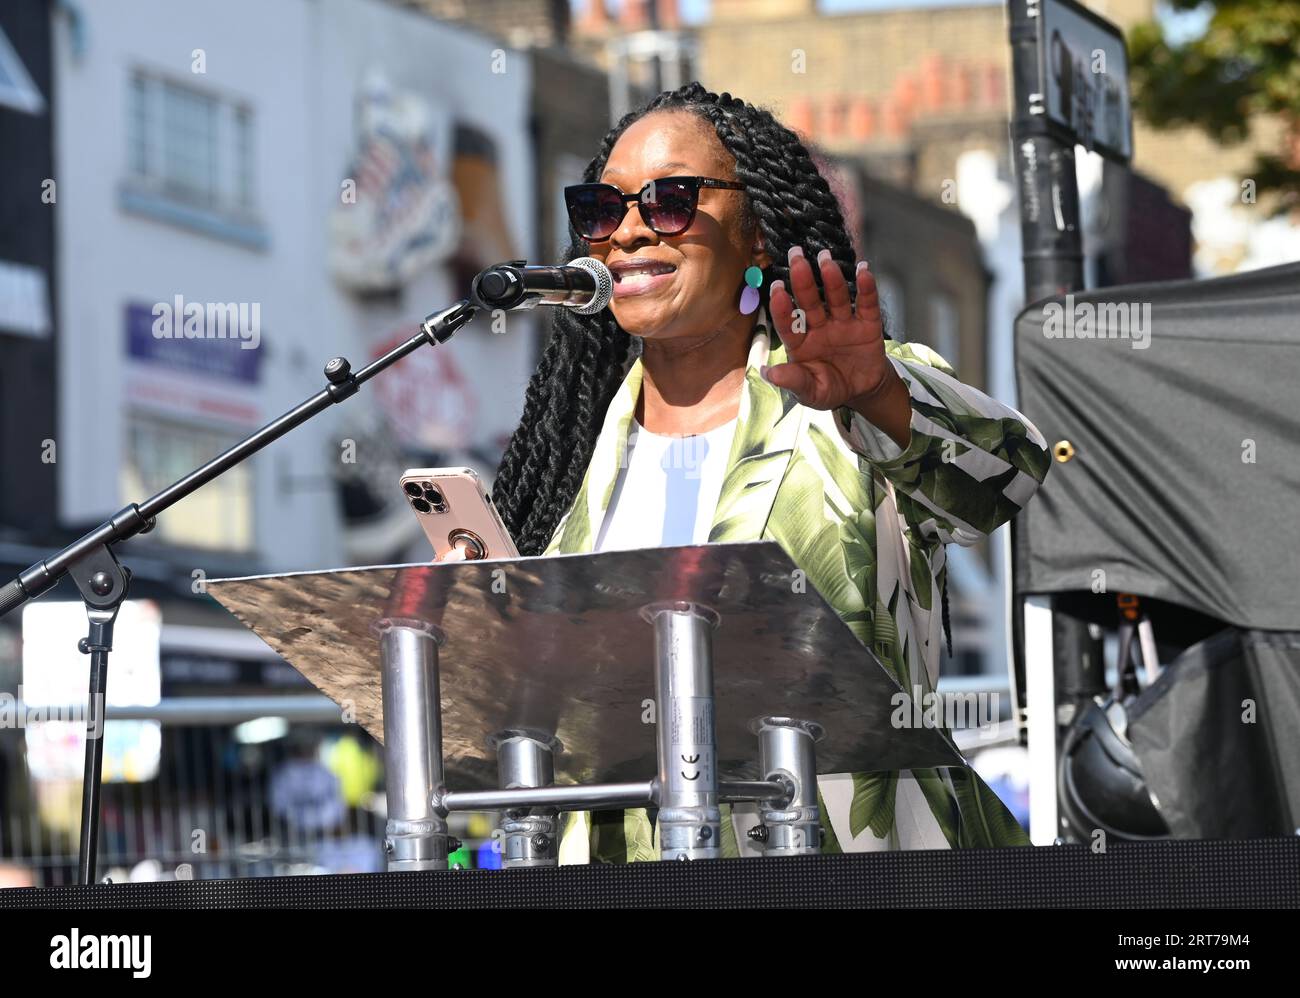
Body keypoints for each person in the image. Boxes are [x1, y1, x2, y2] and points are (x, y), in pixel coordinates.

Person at [491, 82, 1052, 860]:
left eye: (669, 201)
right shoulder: (567, 462)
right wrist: (473, 616)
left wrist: (880, 392)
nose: (625, 233)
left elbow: (1011, 475)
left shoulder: (850, 400)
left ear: (756, 231)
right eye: (601, 208)